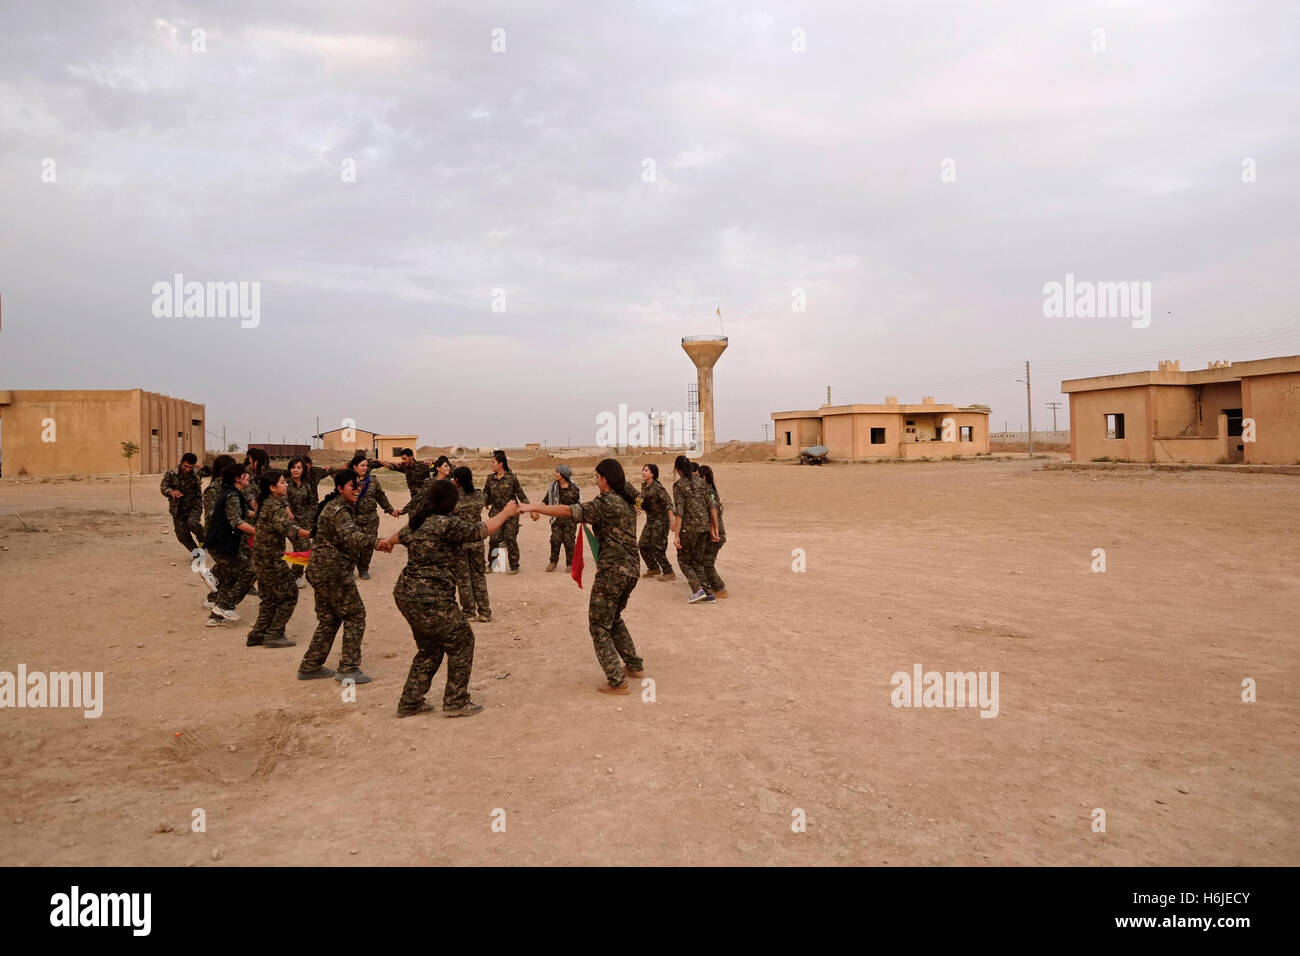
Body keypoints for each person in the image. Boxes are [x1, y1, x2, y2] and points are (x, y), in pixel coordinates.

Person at [383, 483, 519, 718]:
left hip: (406, 594)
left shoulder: (419, 521)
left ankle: (410, 701)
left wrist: (386, 542)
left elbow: (399, 536)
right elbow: (482, 530)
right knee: (462, 640)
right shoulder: (446, 523)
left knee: (430, 647)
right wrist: (506, 513)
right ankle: (455, 700)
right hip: (431, 597)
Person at [521, 459, 646, 695]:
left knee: (598, 625)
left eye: (598, 477)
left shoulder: (606, 503)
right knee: (614, 618)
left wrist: (534, 507)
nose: (596, 482)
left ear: (605, 479)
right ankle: (634, 665)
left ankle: (617, 681)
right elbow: (640, 499)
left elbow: (568, 511)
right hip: (631, 570)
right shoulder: (627, 501)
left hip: (612, 572)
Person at [297, 469, 391, 682]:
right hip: (333, 571)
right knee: (355, 615)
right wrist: (377, 542)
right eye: (352, 486)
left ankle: (311, 665)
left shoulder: (335, 506)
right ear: (340, 488)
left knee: (329, 618)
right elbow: (350, 536)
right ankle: (348, 668)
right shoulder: (340, 510)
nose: (357, 490)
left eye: (359, 486)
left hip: (320, 570)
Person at [247, 469, 312, 648]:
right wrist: (312, 534)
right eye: (282, 482)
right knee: (290, 594)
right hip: (271, 559)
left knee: (269, 597)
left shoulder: (268, 502)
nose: (286, 485)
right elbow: (288, 528)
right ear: (272, 487)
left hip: (261, 557)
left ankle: (258, 633)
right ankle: (275, 634)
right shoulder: (275, 506)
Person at [203, 462, 258, 627]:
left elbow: (243, 512)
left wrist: (263, 515)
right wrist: (258, 532)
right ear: (237, 478)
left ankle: (217, 614)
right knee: (249, 572)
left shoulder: (234, 493)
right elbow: (237, 522)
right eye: (245, 474)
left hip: (225, 543)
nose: (248, 476)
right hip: (221, 543)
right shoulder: (232, 495)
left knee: (232, 576)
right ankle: (224, 603)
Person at [671, 454, 719, 604]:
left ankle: (697, 589)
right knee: (698, 562)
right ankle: (708, 593)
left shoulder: (679, 486)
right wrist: (714, 528)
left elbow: (679, 512)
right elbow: (711, 507)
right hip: (704, 528)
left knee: (683, 560)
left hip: (688, 529)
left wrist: (676, 535)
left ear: (678, 470)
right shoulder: (701, 482)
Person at [451, 466, 492, 622]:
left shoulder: (453, 497)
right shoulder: (479, 495)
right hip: (477, 540)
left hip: (460, 542)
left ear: (456, 480)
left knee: (463, 578)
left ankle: (468, 611)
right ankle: (485, 611)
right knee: (479, 575)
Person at [350, 452, 399, 580]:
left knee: (368, 546)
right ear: (354, 467)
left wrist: (390, 510)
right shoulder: (349, 481)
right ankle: (349, 569)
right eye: (362, 465)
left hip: (370, 519)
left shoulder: (372, 481)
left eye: (366, 465)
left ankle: (363, 568)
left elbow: (381, 497)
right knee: (352, 545)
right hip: (353, 518)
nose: (365, 468)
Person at [483, 450, 532, 573]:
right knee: (494, 539)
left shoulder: (512, 478)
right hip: (496, 513)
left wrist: (531, 509)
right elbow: (485, 494)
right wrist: (484, 503)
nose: (491, 464)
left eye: (493, 462)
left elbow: (521, 494)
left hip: (511, 514)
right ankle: (492, 564)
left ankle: (514, 565)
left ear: (501, 464)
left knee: (510, 538)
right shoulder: (490, 479)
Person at [199, 454, 236, 607]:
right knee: (230, 567)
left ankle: (213, 599)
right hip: (217, 536)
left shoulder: (229, 486)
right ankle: (212, 574)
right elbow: (211, 515)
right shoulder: (213, 490)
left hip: (229, 534)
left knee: (233, 568)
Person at [285, 456, 319, 588]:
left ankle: (295, 575)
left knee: (302, 547)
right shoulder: (285, 484)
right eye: (293, 467)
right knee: (304, 546)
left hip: (304, 521)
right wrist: (289, 512)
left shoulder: (306, 486)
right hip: (289, 522)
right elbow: (283, 501)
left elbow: (312, 504)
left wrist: (312, 518)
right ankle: (294, 576)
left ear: (303, 470)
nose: (295, 470)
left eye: (299, 467)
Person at [160, 452, 204, 553]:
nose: (187, 469)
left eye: (190, 467)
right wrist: (171, 492)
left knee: (193, 523)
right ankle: (197, 553)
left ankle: (203, 540)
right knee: (182, 535)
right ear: (181, 463)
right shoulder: (172, 473)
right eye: (185, 466)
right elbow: (163, 487)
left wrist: (205, 467)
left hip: (194, 505)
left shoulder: (197, 472)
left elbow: (214, 471)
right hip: (178, 508)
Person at [637, 463, 674, 580]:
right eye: (643, 470)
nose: (643, 472)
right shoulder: (644, 486)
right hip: (651, 520)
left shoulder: (657, 487)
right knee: (642, 544)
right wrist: (636, 507)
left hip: (661, 520)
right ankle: (653, 568)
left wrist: (671, 520)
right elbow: (640, 498)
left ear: (652, 474)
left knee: (657, 546)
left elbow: (669, 503)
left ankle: (669, 572)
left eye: (646, 470)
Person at [697, 465, 728, 599]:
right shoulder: (705, 492)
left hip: (715, 534)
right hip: (711, 534)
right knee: (704, 561)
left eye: (698, 477)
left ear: (704, 478)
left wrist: (713, 531)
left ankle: (719, 588)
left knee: (707, 563)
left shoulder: (709, 494)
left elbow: (712, 515)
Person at [544, 465, 581, 573]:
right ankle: (553, 562)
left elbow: (579, 505)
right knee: (555, 541)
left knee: (569, 542)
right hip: (556, 520)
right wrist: (536, 510)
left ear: (563, 475)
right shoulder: (553, 488)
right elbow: (546, 500)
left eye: (557, 472)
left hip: (570, 521)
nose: (555, 474)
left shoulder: (574, 489)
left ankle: (570, 564)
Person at [376, 449, 432, 514]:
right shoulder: (405, 466)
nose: (403, 461)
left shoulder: (423, 465)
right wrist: (378, 460)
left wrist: (431, 461)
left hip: (426, 499)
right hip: (414, 501)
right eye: (402, 459)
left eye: (405, 458)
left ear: (411, 457)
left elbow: (439, 464)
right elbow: (389, 465)